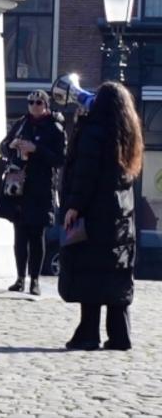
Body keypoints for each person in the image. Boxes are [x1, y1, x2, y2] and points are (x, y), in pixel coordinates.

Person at [59, 81, 142, 351]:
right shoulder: (128, 133)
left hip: (95, 213)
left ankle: (88, 333)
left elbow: (86, 172)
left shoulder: (94, 131)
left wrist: (74, 205)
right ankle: (120, 335)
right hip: (121, 215)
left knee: (90, 272)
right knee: (116, 274)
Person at [0, 89, 66, 296]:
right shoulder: (21, 123)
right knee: (19, 234)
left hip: (40, 187)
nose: (34, 106)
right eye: (31, 102)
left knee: (37, 235)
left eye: (38, 102)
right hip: (19, 187)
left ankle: (34, 279)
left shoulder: (55, 128)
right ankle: (19, 278)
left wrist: (36, 149)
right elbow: (2, 147)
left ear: (46, 105)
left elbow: (60, 159)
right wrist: (11, 146)